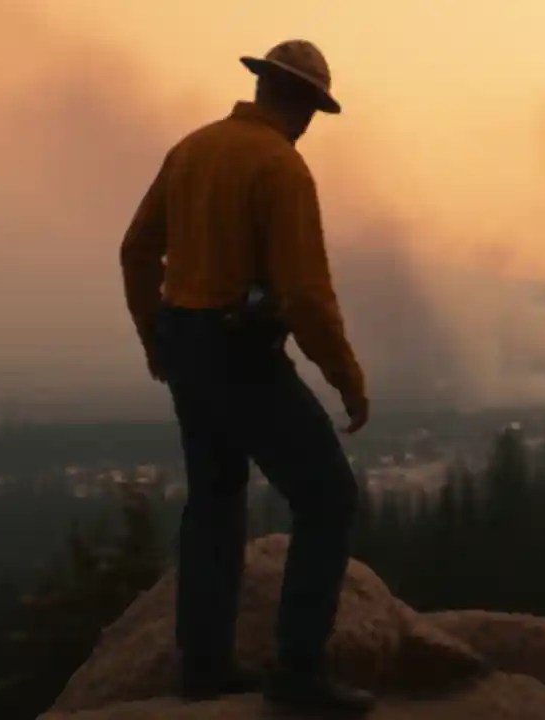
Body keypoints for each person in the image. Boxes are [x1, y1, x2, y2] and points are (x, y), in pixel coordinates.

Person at [120, 39, 374, 714]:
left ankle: (203, 668)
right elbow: (305, 294)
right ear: (307, 107)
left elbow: (137, 249)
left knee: (214, 498)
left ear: (263, 86)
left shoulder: (193, 149)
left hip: (186, 340)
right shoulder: (281, 168)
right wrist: (346, 378)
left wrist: (154, 335)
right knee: (328, 499)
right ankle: (297, 674)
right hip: (240, 350)